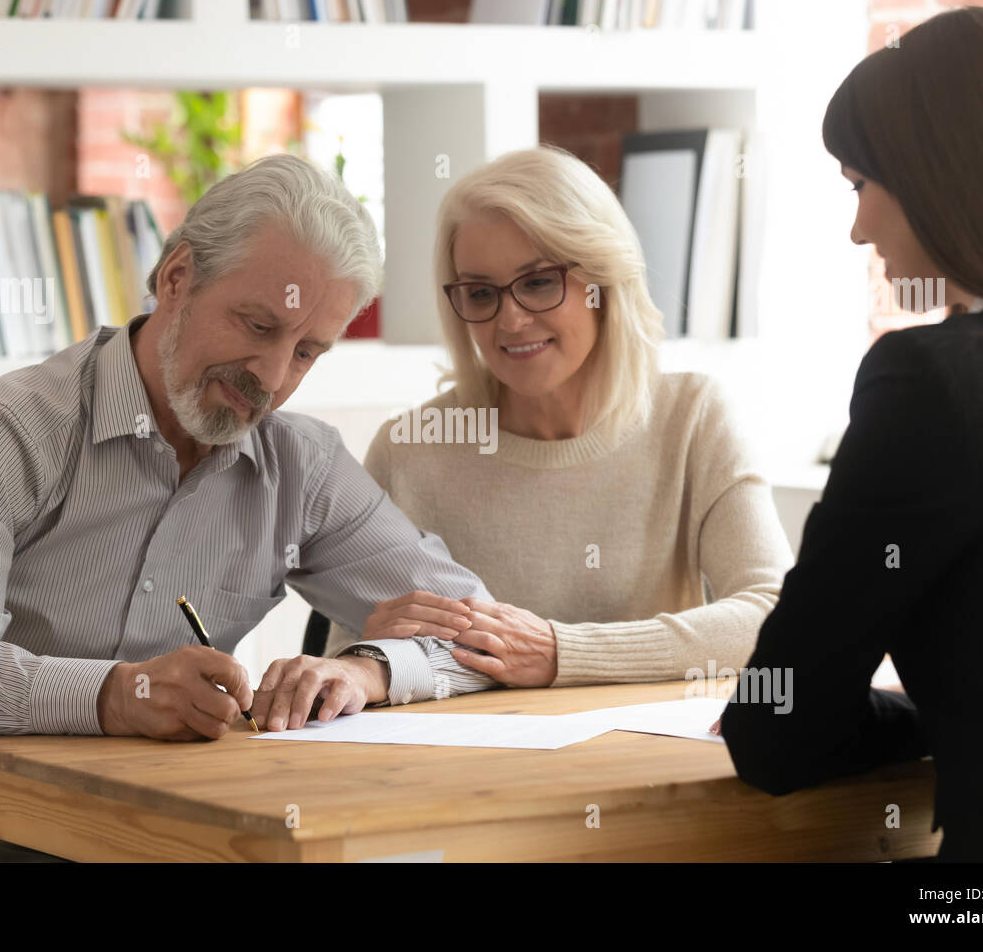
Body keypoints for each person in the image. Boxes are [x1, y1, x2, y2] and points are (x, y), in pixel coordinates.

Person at [0, 154, 496, 861]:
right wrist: (116, 695)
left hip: (152, 827)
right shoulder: (4, 432)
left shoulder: (301, 466)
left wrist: (365, 669)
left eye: (307, 351)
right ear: (177, 277)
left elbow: (482, 632)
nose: (272, 378)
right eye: (258, 325)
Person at [720, 7, 983, 862]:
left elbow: (778, 728)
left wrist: (917, 718)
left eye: (859, 185)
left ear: (943, 176)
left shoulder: (936, 382)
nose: (859, 230)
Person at [327, 145, 794, 692]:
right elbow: (345, 664)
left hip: (647, 760)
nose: (512, 319)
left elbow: (775, 613)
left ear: (603, 280)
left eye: (539, 282)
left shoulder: (693, 418)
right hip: (464, 768)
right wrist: (369, 653)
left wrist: (561, 653)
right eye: (480, 292)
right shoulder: (410, 448)